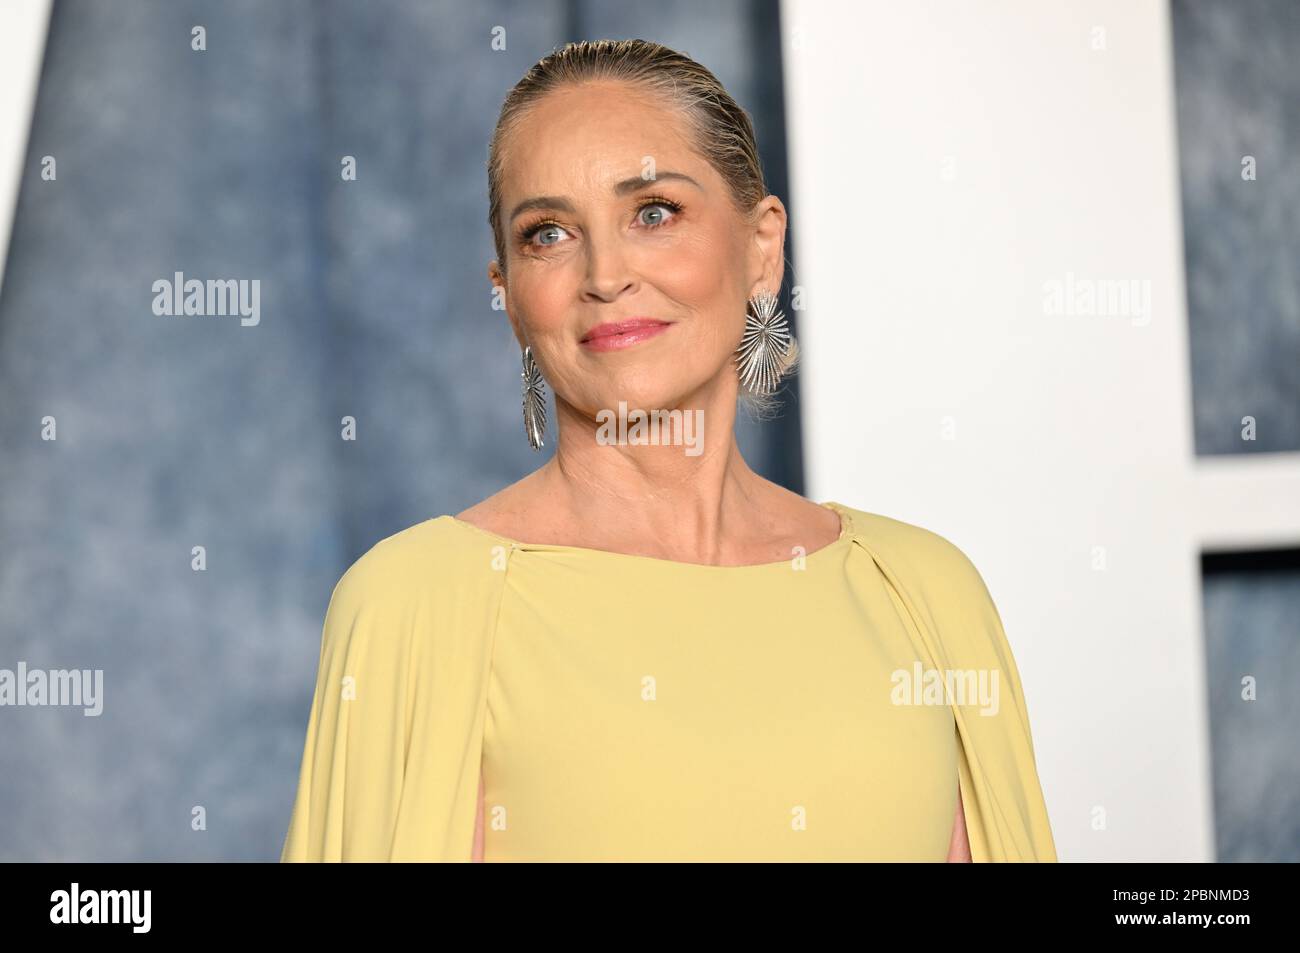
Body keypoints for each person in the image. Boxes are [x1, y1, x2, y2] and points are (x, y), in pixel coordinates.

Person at [280, 38, 1056, 862]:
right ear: (507, 291)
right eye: (547, 234)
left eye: (652, 212)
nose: (605, 273)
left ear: (762, 246)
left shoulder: (926, 595)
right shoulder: (416, 607)